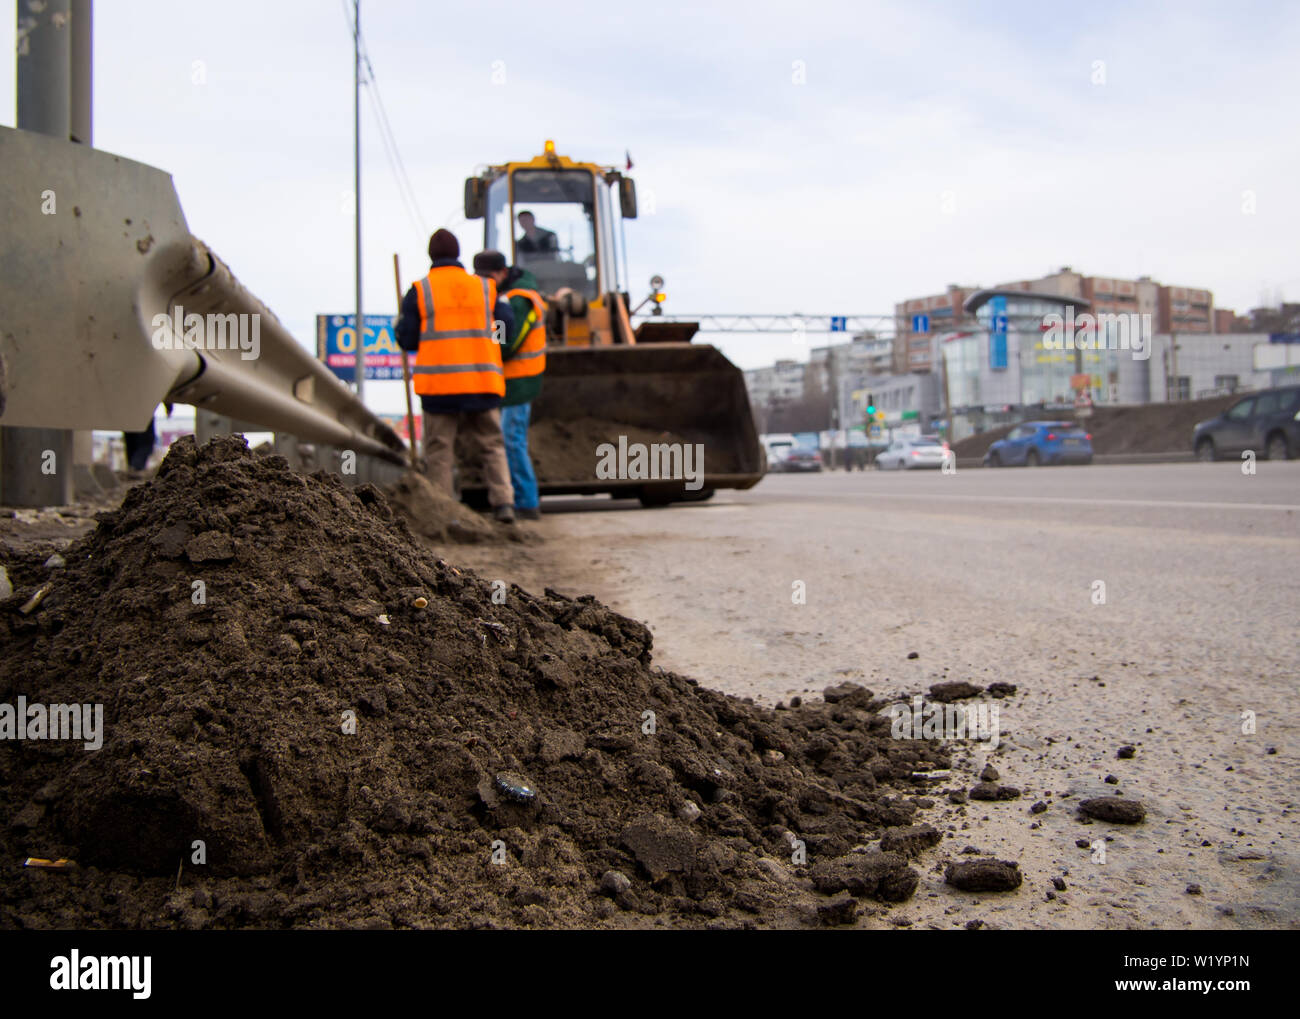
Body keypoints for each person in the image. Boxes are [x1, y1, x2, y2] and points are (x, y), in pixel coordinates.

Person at [395, 229, 516, 523]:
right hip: (481, 381)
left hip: (440, 385)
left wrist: (404, 328)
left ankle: (443, 512)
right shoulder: (486, 288)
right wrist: (485, 346)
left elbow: (408, 339)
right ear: (459, 254)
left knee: (439, 449)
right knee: (492, 444)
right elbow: (506, 330)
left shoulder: (420, 291)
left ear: (431, 256)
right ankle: (504, 506)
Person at [472, 251, 546, 520]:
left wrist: (483, 351)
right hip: (514, 381)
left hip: (518, 382)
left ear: (503, 273)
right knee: (511, 440)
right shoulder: (507, 297)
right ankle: (523, 499)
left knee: (511, 441)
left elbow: (505, 343)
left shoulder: (518, 300)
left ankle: (526, 502)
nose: (486, 282)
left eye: (489, 277)